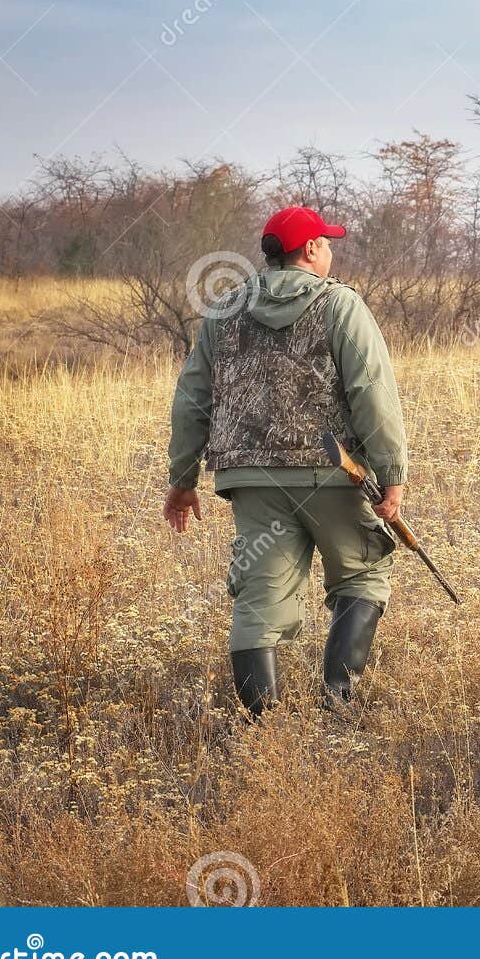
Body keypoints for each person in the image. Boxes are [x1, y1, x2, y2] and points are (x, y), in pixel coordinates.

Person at [163, 206, 409, 718]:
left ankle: (263, 727)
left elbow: (192, 398)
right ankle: (337, 706)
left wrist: (183, 479)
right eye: (327, 242)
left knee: (259, 600)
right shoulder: (340, 304)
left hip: (253, 481)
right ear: (312, 249)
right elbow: (373, 394)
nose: (331, 250)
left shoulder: (224, 310)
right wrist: (392, 474)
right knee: (362, 575)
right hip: (335, 474)